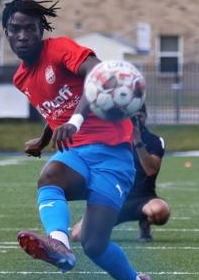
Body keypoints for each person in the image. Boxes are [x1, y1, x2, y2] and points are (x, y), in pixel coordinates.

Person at [3, 0, 150, 280]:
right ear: (7, 34)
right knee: (50, 176)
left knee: (96, 246)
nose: (23, 35)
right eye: (16, 29)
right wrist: (43, 140)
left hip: (113, 154)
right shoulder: (20, 78)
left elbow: (96, 73)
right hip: (75, 153)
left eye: (31, 28)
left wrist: (76, 122)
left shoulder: (60, 50)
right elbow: (55, 108)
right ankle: (59, 245)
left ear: (42, 31)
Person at [71, 104, 171, 242]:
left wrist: (137, 140)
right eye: (131, 117)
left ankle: (145, 222)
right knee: (78, 235)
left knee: (160, 212)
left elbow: (151, 169)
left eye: (138, 117)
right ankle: (101, 222)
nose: (135, 121)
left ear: (144, 117)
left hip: (143, 199)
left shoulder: (153, 140)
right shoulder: (111, 137)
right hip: (113, 198)